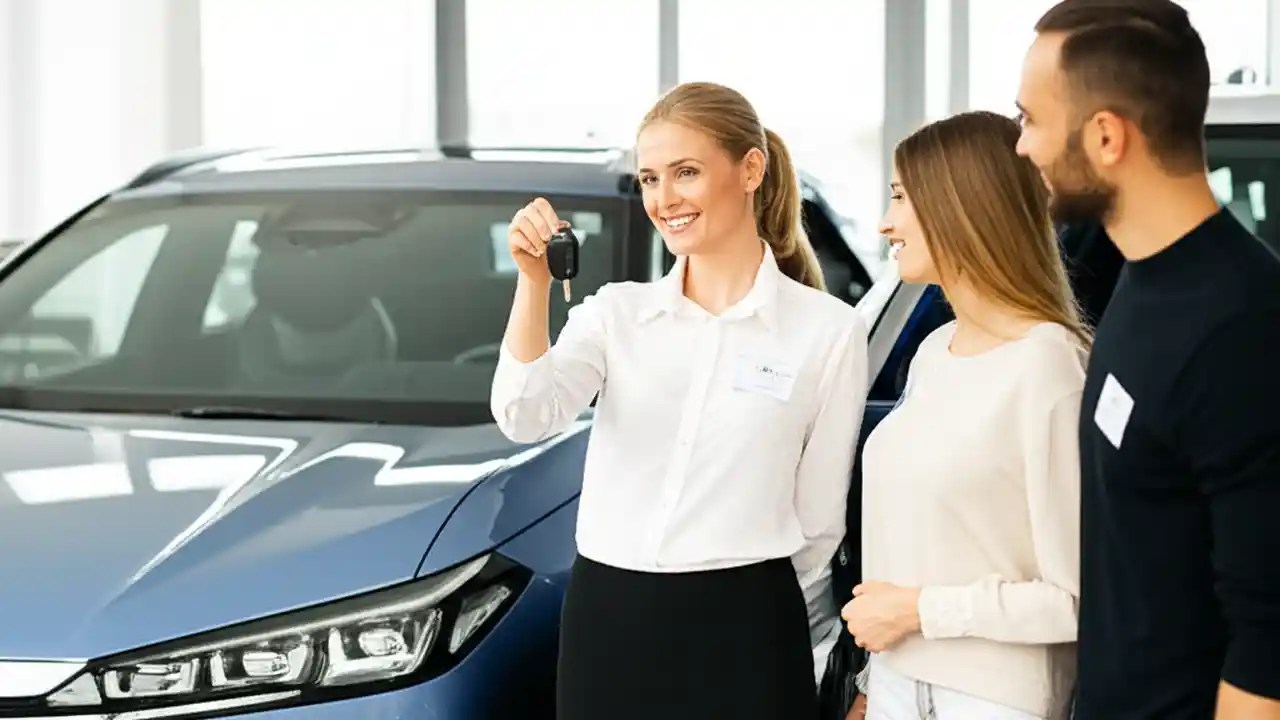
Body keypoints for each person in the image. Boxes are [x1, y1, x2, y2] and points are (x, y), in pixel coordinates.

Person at [490, 81, 868, 720]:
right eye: (649, 179)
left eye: (685, 172)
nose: (664, 200)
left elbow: (818, 520)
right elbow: (526, 416)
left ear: (750, 169)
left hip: (750, 626)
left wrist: (791, 637)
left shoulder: (828, 330)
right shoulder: (616, 315)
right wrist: (532, 287)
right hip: (610, 624)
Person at [1015, 1, 1280, 718]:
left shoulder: (1243, 328)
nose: (1022, 148)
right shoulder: (1138, 279)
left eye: (1032, 120)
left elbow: (1268, 642)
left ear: (1106, 136)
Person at [840, 110, 1088, 720]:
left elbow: (1078, 599)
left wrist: (918, 611)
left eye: (900, 197)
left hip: (995, 700)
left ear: (961, 203)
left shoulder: (1050, 365)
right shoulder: (933, 350)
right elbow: (911, 547)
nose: (884, 222)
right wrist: (873, 684)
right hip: (897, 684)